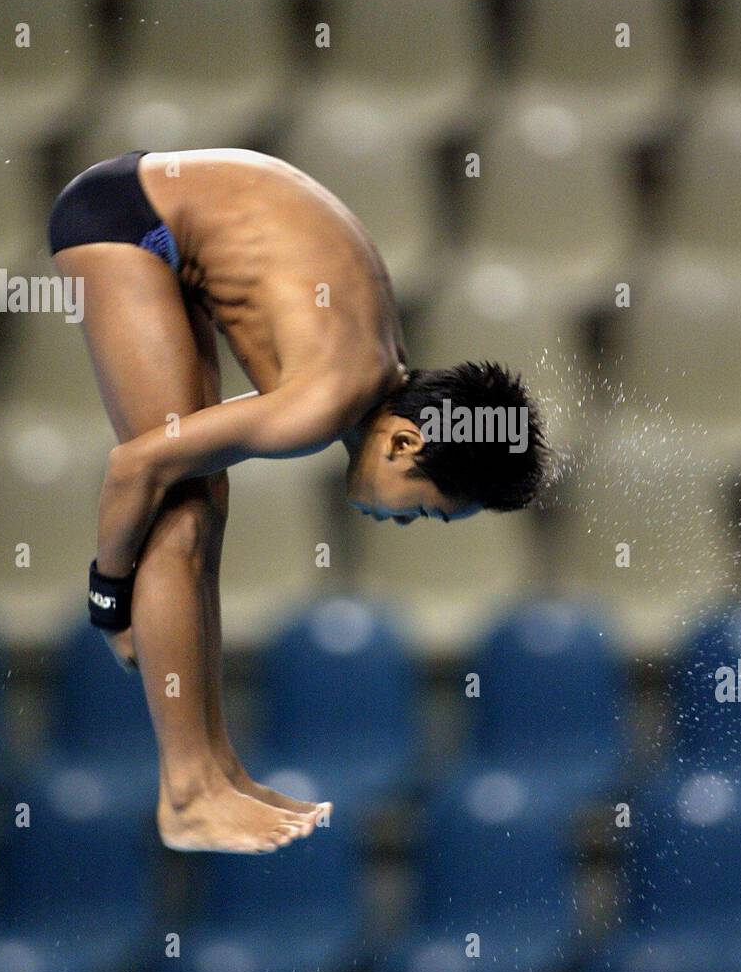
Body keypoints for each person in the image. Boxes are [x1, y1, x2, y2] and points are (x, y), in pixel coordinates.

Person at [48, 148, 547, 854]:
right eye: (425, 508)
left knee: (201, 492)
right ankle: (188, 794)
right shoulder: (321, 404)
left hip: (164, 217)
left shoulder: (364, 372)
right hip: (128, 221)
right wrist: (109, 598)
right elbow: (134, 466)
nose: (404, 522)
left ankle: (217, 774)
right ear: (404, 444)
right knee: (182, 501)